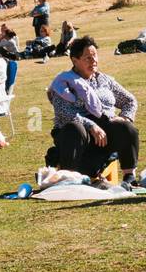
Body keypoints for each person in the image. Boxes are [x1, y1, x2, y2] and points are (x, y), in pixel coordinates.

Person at [46, 36, 139, 184]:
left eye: (94, 56)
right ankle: (70, 178)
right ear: (75, 61)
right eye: (87, 58)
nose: (93, 60)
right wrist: (91, 126)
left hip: (104, 130)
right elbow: (65, 113)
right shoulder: (63, 83)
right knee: (75, 129)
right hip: (77, 132)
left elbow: (130, 100)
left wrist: (125, 117)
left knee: (126, 128)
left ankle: (129, 176)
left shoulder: (104, 80)